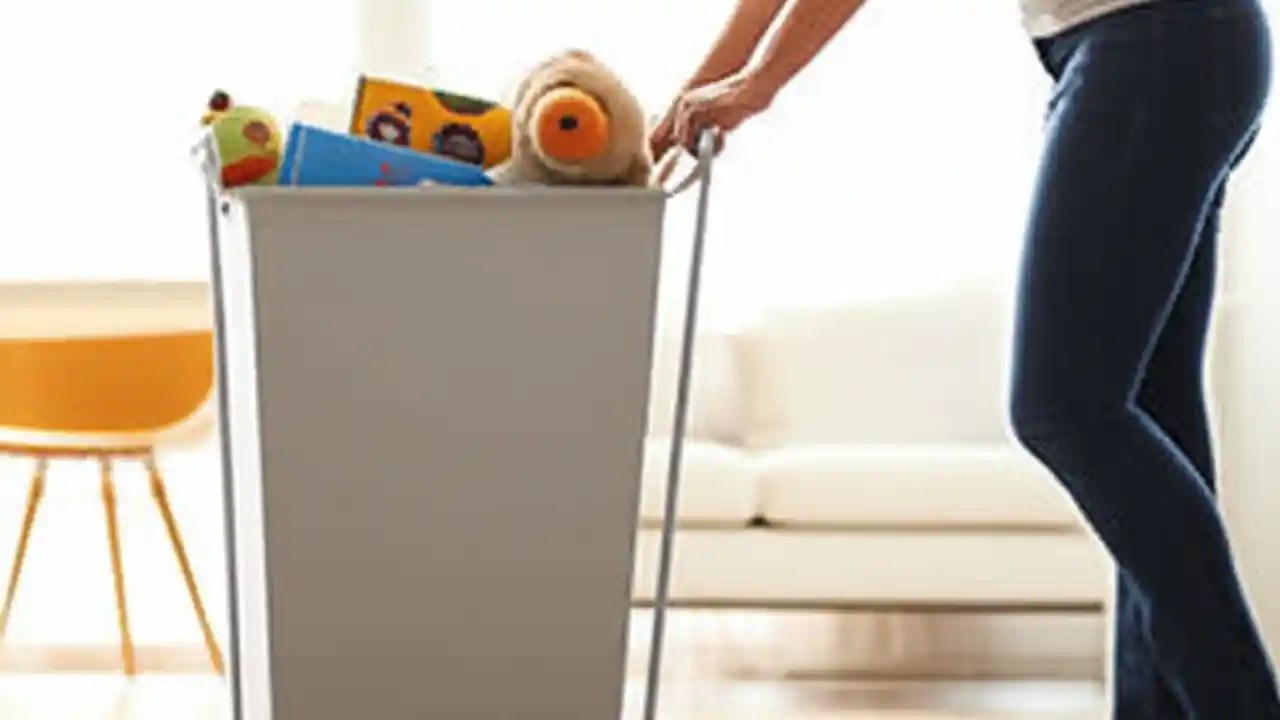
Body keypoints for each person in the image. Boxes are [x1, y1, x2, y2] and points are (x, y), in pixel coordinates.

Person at [651, 0, 1280, 717]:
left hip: (1152, 41)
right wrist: (686, 108)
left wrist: (759, 82)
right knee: (1145, 413)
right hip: (1171, 46)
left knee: (1066, 409)